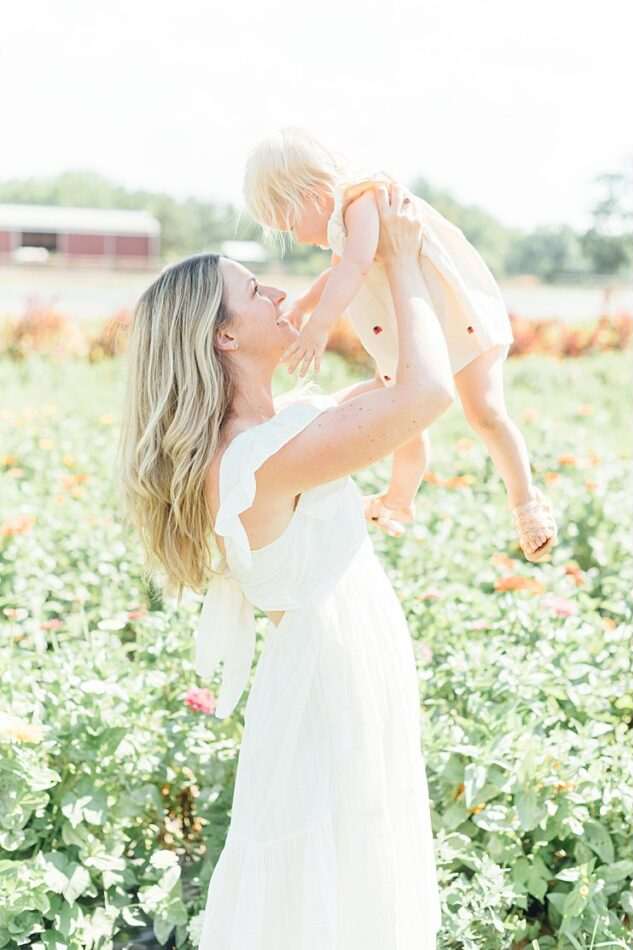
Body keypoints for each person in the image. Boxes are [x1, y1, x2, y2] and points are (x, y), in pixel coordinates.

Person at [117, 184, 449, 948]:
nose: (275, 291)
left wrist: (366, 272)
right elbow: (426, 392)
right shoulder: (258, 456)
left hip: (338, 672)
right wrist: (396, 261)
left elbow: (398, 382)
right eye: (251, 291)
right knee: (336, 896)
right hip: (328, 692)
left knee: (346, 884)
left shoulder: (271, 433)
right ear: (224, 339)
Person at [243, 127, 556, 560]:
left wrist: (318, 328)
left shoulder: (363, 202)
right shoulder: (342, 223)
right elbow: (335, 272)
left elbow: (353, 269)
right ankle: (398, 500)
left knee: (484, 412)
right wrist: (300, 306)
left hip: (455, 316)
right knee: (403, 423)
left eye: (292, 224)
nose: (297, 238)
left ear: (313, 194)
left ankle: (524, 499)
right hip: (413, 329)